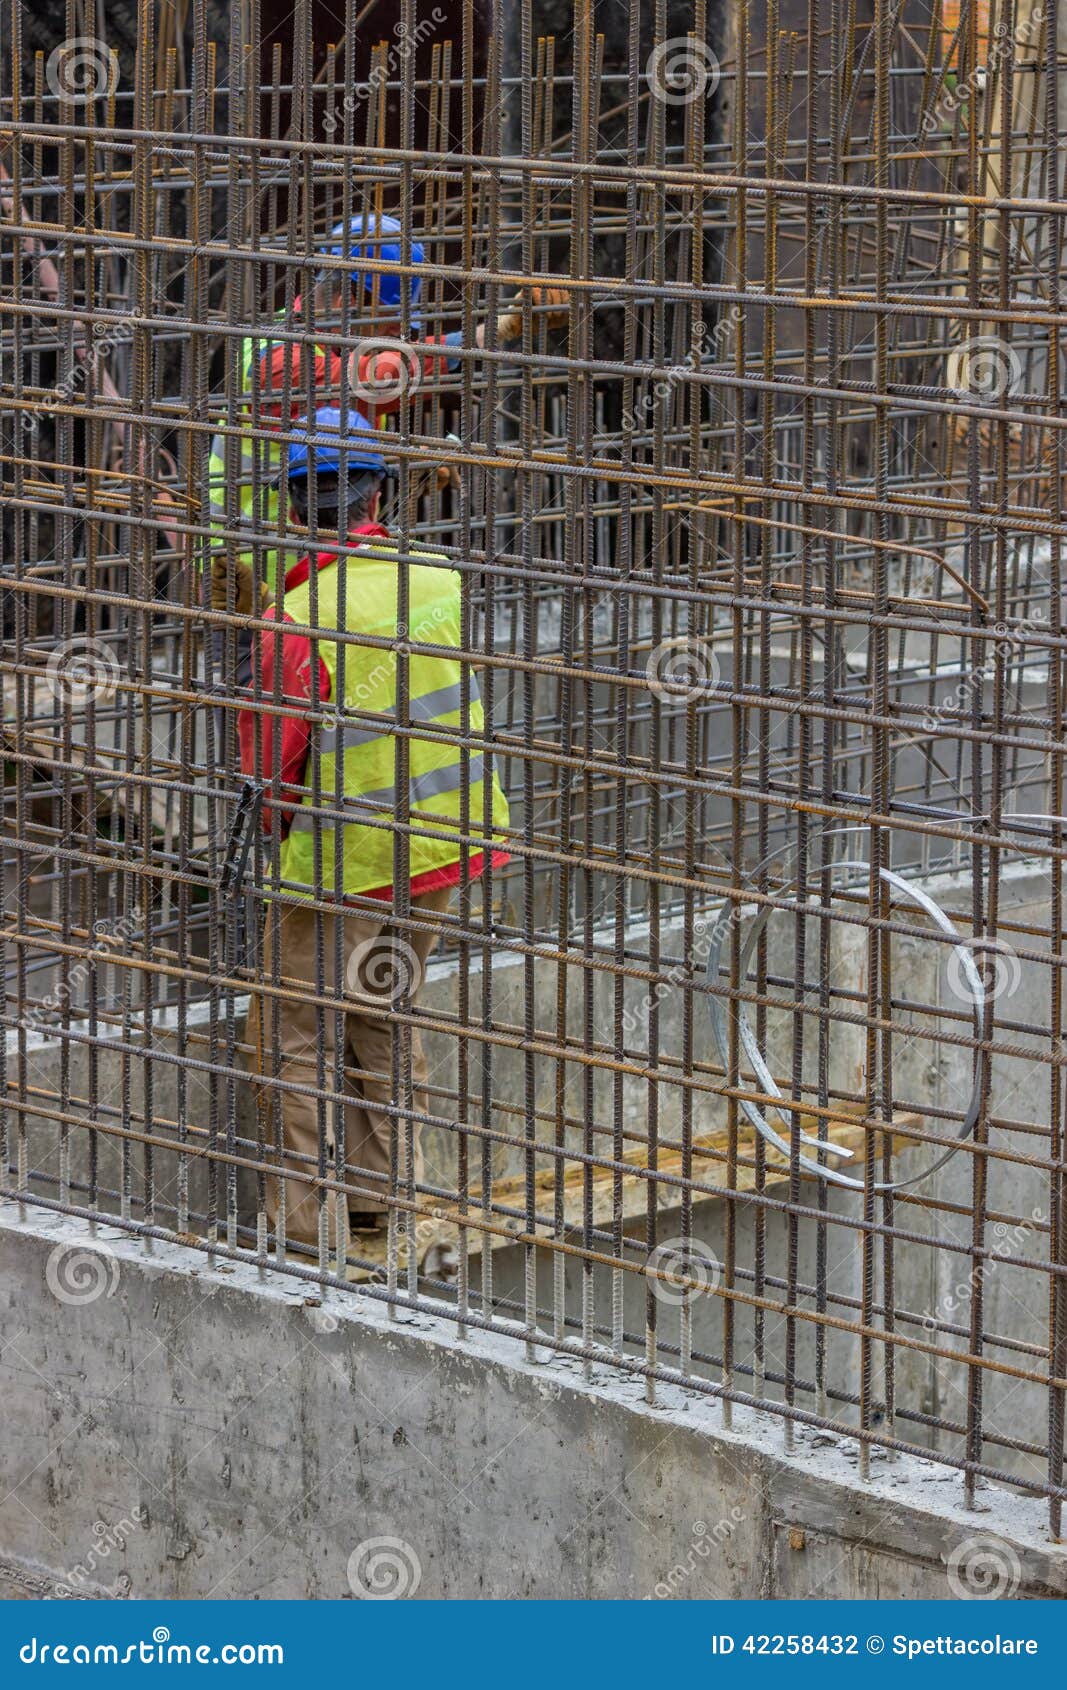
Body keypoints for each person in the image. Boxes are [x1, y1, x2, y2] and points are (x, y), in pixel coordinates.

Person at [237, 407, 510, 1258]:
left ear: (292, 508)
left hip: (343, 863)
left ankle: (301, 1231)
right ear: (380, 496)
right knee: (385, 1013)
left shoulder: (297, 618)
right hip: (442, 842)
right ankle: (380, 1208)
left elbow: (270, 764)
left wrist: (279, 834)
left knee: (295, 1035)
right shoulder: (436, 579)